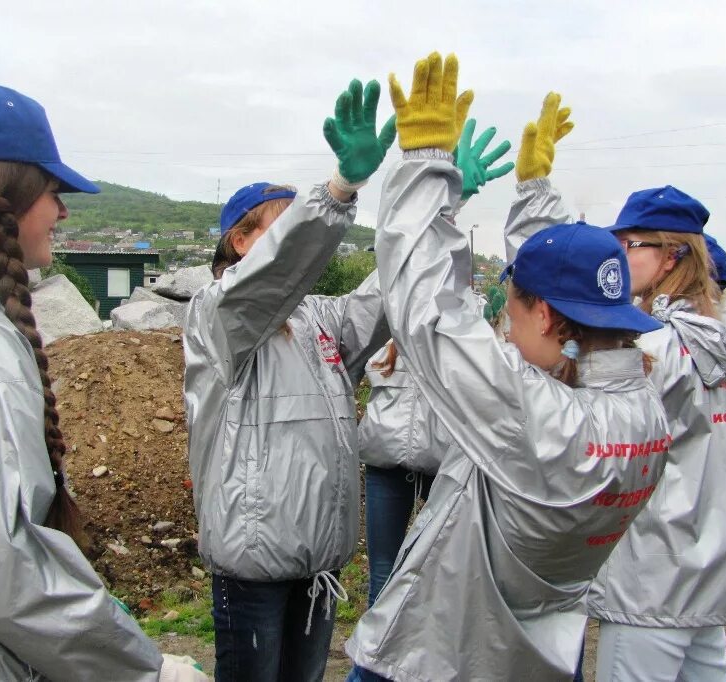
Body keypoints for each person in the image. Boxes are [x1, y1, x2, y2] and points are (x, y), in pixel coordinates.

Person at [345, 53, 669, 681]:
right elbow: (559, 290)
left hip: (442, 657)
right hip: (543, 651)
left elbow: (425, 311)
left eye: (513, 314)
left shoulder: (535, 414)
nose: (506, 333)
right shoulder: (645, 409)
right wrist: (536, 192)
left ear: (544, 316)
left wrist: (423, 164)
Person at [0, 84, 205, 681]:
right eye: (54, 192)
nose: (63, 212)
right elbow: (6, 573)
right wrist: (146, 670)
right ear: (10, 196)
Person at [504, 98, 726, 681]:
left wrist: (533, 201)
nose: (617, 256)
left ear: (671, 255)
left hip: (650, 578)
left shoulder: (657, 348)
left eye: (630, 245)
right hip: (706, 573)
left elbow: (554, 318)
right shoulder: (721, 340)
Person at [183, 78, 394, 682]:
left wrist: (436, 211)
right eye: (276, 231)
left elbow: (389, 292)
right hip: (252, 570)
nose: (290, 248)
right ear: (238, 242)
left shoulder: (318, 319)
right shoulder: (216, 316)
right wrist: (338, 190)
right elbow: (275, 275)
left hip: (317, 565)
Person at [358, 117, 514, 613]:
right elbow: (399, 268)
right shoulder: (386, 317)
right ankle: (379, 645)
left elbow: (431, 270)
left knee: (432, 565)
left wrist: (450, 204)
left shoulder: (452, 318)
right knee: (383, 569)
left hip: (441, 459)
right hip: (385, 462)